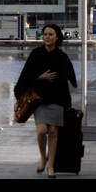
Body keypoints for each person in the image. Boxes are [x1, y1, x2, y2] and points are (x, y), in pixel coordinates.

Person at [14, 23, 77, 177]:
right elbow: (24, 76)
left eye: (51, 34)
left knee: (54, 132)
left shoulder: (62, 57)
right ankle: (43, 158)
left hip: (57, 99)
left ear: (57, 37)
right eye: (45, 34)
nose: (47, 37)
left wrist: (67, 103)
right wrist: (38, 76)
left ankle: (51, 167)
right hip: (39, 99)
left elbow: (69, 78)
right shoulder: (36, 54)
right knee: (42, 131)